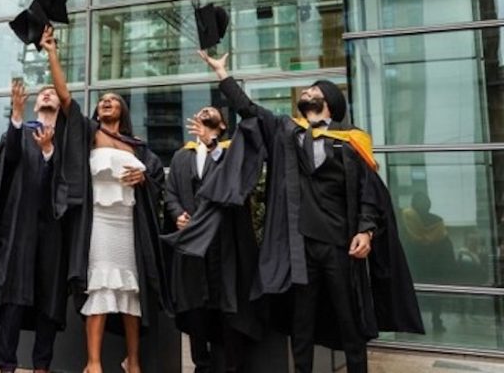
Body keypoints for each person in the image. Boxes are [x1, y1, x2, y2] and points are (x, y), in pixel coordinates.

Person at [193, 50, 424, 373]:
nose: (307, 91)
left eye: (314, 89)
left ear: (328, 100)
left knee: (349, 317)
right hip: (300, 247)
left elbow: (368, 193)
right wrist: (222, 74)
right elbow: (250, 110)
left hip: (340, 246)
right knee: (301, 321)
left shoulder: (351, 141)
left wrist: (366, 230)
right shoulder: (287, 133)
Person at [42, 26, 168, 373]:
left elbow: (157, 180)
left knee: (131, 294)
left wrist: (144, 177)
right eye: (102, 100)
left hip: (130, 225)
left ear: (123, 110)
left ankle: (134, 362)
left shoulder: (138, 146)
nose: (106, 101)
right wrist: (52, 52)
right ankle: (94, 363)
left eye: (113, 99)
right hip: (98, 222)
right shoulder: (90, 134)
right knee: (99, 287)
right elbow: (66, 99)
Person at [162, 107, 260, 372]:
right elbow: (170, 193)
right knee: (195, 305)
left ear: (223, 125)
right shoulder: (182, 156)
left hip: (224, 242)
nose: (204, 110)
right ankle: (201, 365)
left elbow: (237, 183)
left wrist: (212, 144)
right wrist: (177, 215)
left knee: (228, 303)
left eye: (211, 111)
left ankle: (233, 366)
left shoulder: (230, 154)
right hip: (192, 243)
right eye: (201, 110)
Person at [0, 80, 67, 373]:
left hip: (53, 229)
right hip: (19, 226)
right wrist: (17, 116)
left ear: (61, 104)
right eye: (42, 92)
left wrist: (49, 152)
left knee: (48, 297)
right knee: (13, 298)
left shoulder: (67, 139)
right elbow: (7, 161)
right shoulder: (21, 131)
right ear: (35, 104)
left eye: (53, 92)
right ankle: (6, 365)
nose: (47, 92)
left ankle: (41, 366)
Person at [400, 191, 455, 334]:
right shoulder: (437, 222)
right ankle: (436, 321)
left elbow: (402, 244)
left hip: (416, 265)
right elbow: (447, 246)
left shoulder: (407, 220)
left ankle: (412, 323)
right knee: (435, 297)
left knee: (412, 296)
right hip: (434, 267)